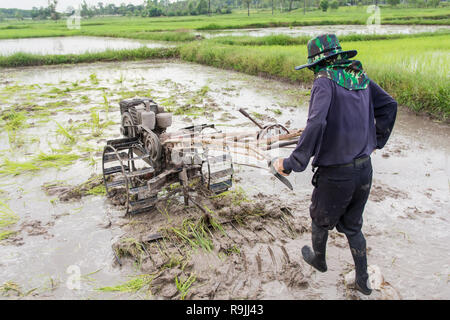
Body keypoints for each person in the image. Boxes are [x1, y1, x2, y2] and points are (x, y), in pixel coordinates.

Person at [272, 34, 397, 295]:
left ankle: (319, 258)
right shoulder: (359, 78)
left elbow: (316, 123)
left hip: (336, 173)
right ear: (339, 56)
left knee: (319, 219)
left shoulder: (324, 81)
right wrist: (375, 141)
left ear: (318, 63)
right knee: (353, 225)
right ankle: (363, 280)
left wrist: (292, 162)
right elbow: (389, 106)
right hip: (364, 169)